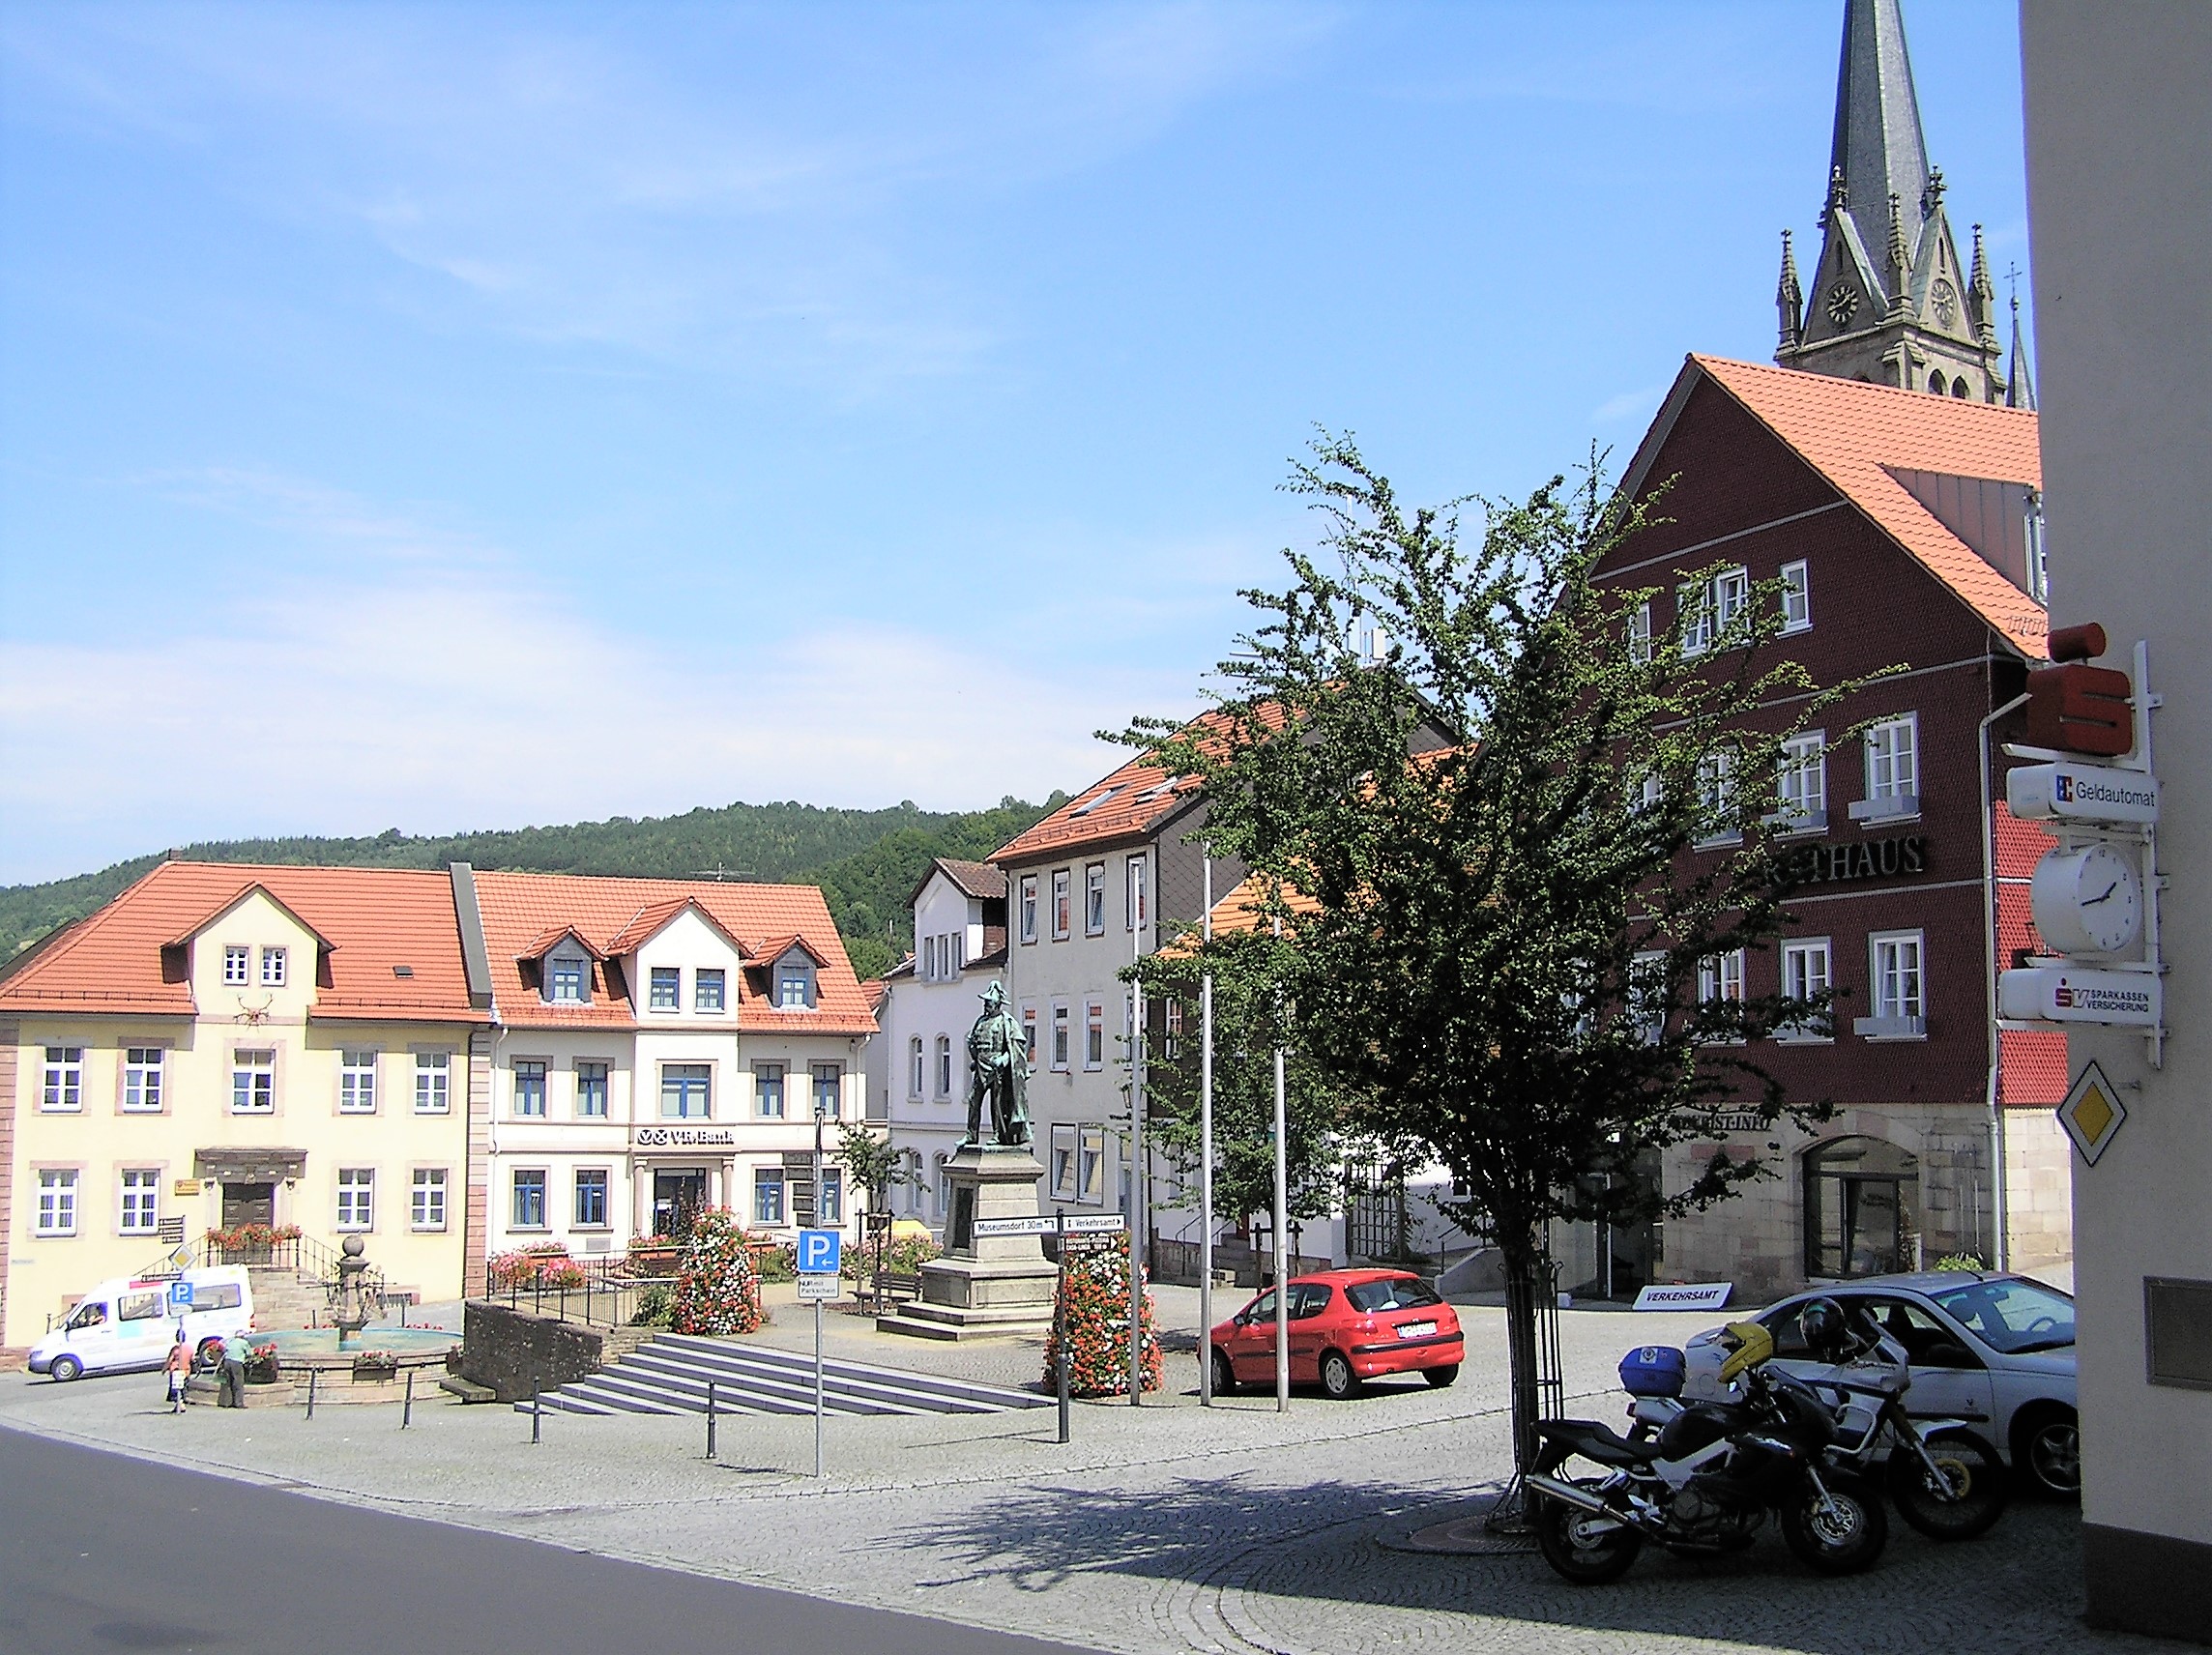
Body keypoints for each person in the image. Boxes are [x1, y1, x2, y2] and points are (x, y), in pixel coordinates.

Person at [218, 1329, 251, 1408]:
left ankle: (226, 1402)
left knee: (228, 1382)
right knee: (239, 1382)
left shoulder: (231, 1341)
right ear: (243, 1336)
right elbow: (249, 1354)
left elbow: (224, 1350)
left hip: (227, 1362)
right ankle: (239, 1403)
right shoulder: (244, 1343)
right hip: (237, 1363)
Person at [163, 1329, 191, 1412]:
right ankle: (178, 1405)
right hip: (186, 1371)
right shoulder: (190, 1348)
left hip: (176, 1371)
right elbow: (192, 1359)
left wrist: (164, 1369)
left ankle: (180, 1405)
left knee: (175, 1389)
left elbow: (170, 1360)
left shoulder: (175, 1349)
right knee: (182, 1388)